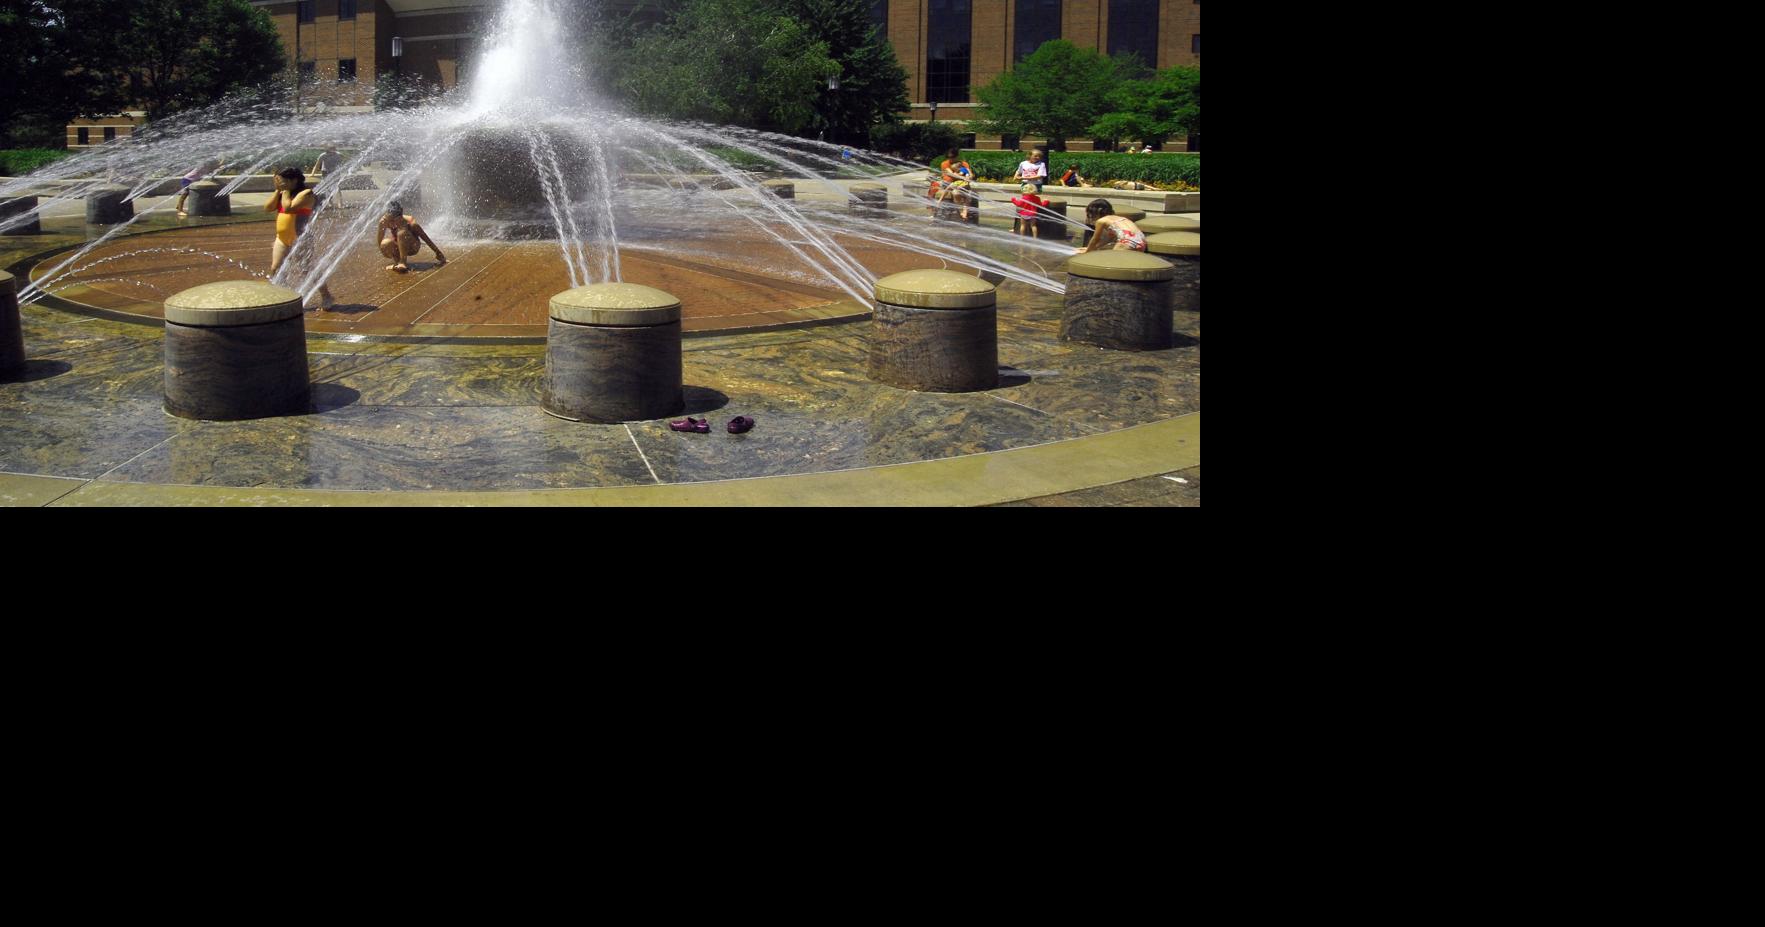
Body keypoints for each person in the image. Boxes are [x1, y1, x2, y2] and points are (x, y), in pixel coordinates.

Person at [264, 167, 334, 308]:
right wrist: (277, 191)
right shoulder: (283, 193)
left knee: (306, 269)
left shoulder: (306, 193)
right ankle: (285, 297)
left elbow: (289, 208)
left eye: (282, 181)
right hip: (282, 238)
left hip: (301, 238)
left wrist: (284, 192)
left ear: (293, 180)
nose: (280, 184)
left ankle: (326, 295)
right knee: (276, 268)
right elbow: (268, 208)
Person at [376, 201, 446, 273]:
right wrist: (386, 251)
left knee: (401, 233)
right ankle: (398, 263)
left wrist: (438, 253)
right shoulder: (384, 222)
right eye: (390, 220)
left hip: (412, 246)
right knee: (385, 243)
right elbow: (380, 243)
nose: (392, 223)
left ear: (400, 217)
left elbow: (425, 237)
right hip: (398, 246)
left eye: (394, 220)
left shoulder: (410, 221)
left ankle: (403, 262)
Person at [1076, 199, 1146, 253]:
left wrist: (1087, 251)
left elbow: (1095, 239)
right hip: (1141, 241)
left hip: (1127, 242)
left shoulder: (1101, 221)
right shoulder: (1121, 218)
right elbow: (1109, 239)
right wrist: (1091, 248)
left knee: (1113, 262)